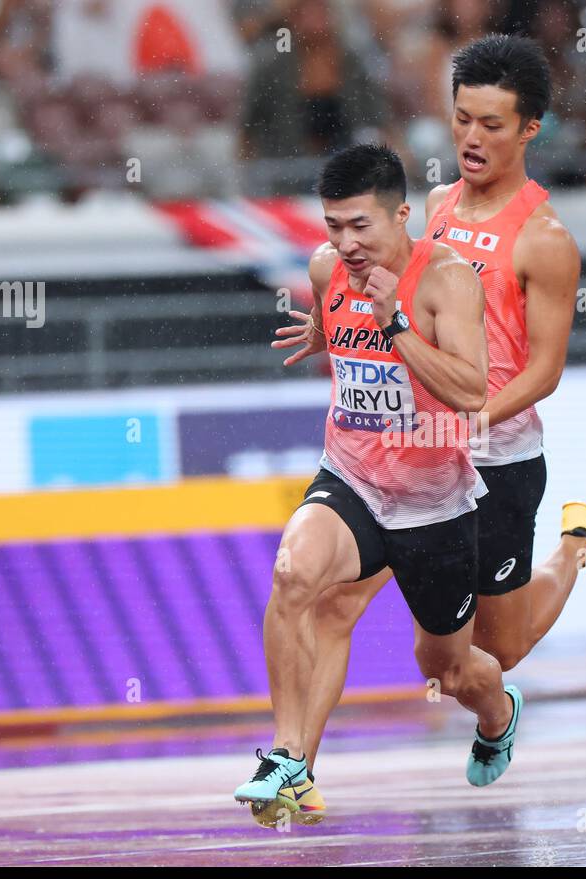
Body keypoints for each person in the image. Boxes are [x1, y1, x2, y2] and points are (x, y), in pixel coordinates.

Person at [252, 36, 586, 827]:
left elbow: (543, 372)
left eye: (492, 125)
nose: (471, 139)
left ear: (529, 129)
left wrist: (471, 418)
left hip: (495, 462)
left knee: (491, 655)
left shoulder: (546, 241)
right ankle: (290, 769)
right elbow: (381, 299)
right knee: (324, 599)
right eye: (462, 118)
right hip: (402, 465)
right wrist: (335, 333)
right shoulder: (430, 208)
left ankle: (577, 544)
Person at [234, 143, 523, 823]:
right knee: (296, 577)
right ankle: (288, 758)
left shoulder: (446, 281)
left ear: (401, 215)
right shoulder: (326, 268)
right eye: (333, 225)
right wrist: (323, 331)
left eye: (360, 225)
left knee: (450, 672)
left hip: (434, 506)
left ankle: (499, 715)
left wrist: (395, 321)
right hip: (354, 479)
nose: (345, 243)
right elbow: (340, 324)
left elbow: (470, 388)